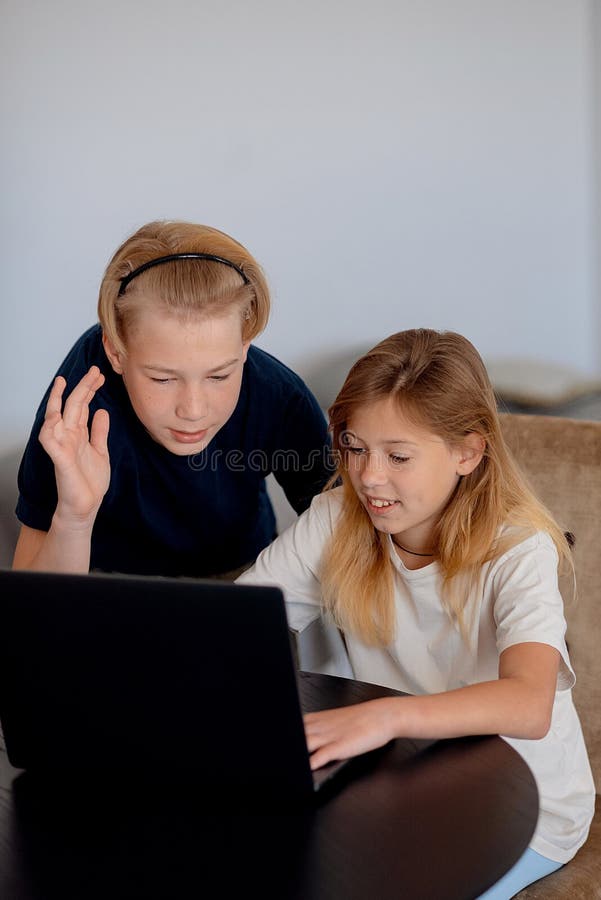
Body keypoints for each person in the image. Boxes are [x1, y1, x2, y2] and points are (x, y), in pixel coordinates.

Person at [238, 328, 595, 898]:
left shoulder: (519, 549)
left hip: (523, 804)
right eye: (354, 448)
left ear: (468, 452)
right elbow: (240, 624)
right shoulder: (336, 517)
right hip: (400, 776)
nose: (369, 476)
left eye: (398, 456)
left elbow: (529, 704)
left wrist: (385, 718)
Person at [14, 220, 332, 578]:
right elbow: (33, 602)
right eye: (163, 378)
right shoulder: (75, 413)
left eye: (219, 375)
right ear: (116, 353)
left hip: (245, 571)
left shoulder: (280, 397)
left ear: (245, 346)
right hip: (107, 579)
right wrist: (74, 516)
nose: (193, 411)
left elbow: (350, 541)